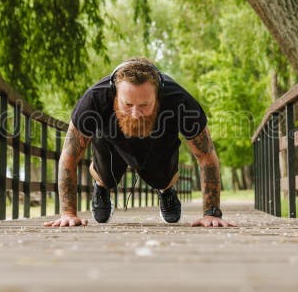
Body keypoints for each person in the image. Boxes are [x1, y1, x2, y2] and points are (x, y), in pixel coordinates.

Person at [44, 57, 234, 228]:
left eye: (144, 105)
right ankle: (101, 186)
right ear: (115, 94)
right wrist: (68, 213)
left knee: (161, 176)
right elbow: (69, 157)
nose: (135, 113)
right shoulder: (94, 99)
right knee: (106, 175)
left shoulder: (180, 101)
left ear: (158, 96)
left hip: (159, 141)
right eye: (127, 105)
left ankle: (167, 189)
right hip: (111, 142)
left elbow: (206, 156)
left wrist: (211, 213)